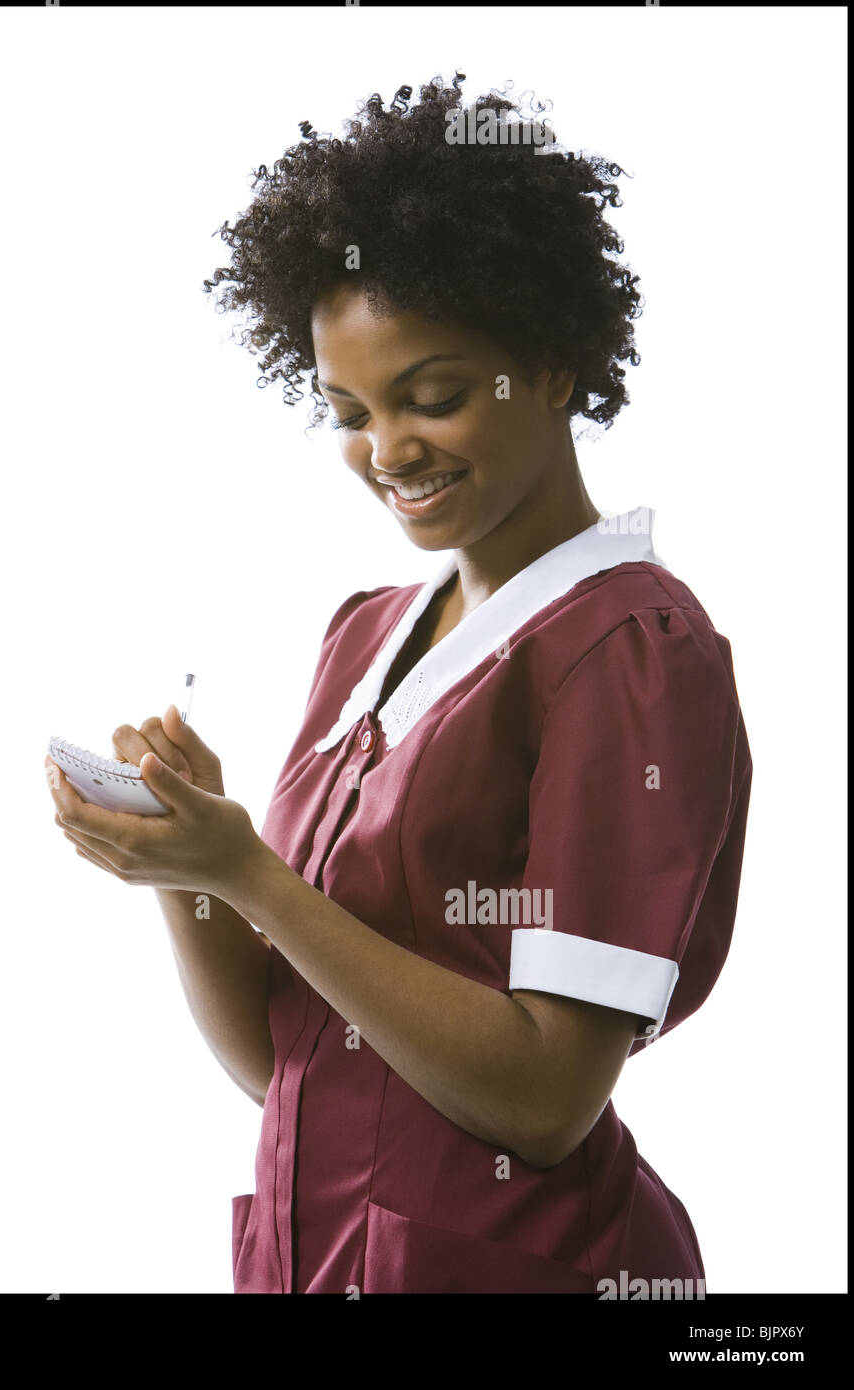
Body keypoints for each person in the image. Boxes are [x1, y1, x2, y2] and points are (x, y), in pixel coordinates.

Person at [44, 73, 751, 1294]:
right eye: (351, 412)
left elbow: (544, 1098)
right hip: (320, 1260)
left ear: (552, 365)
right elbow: (290, 1061)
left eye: (431, 397)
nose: (388, 452)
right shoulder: (365, 633)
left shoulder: (629, 649)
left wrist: (250, 872)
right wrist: (187, 870)